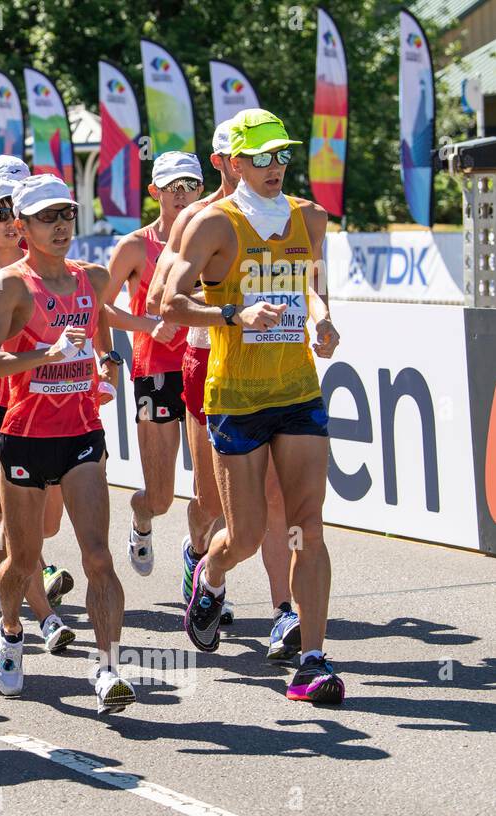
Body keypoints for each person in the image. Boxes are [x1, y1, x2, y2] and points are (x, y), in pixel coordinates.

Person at [162, 109, 344, 703]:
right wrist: (233, 315)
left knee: (305, 526)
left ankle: (312, 660)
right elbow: (170, 304)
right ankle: (211, 576)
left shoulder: (307, 217)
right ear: (234, 162)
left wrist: (323, 321)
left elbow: (312, 286)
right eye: (261, 157)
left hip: (297, 389)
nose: (275, 167)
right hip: (236, 396)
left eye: (282, 155)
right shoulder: (213, 224)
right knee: (243, 536)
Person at [0, 174, 135, 713]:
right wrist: (43, 357)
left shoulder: (92, 276)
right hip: (24, 435)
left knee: (98, 557)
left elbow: (102, 330)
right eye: (47, 217)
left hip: (81, 433)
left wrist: (105, 367)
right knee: (24, 562)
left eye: (66, 213)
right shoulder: (10, 285)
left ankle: (108, 669)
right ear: (21, 228)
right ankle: (12, 628)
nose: (61, 223)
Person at [144, 119, 296, 631]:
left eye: (271, 156)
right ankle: (200, 557)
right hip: (209, 361)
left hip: (272, 361)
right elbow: (157, 297)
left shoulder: (285, 214)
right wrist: (224, 312)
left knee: (274, 495)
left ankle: (284, 613)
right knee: (212, 500)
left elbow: (307, 281)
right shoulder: (202, 217)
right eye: (248, 156)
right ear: (223, 162)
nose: (263, 165)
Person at [0, 179, 75, 654]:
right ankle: (43, 617)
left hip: (45, 399)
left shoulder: (48, 272)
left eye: (12, 211)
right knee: (18, 506)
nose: (7, 221)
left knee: (46, 519)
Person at [100, 151, 201, 577]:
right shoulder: (137, 245)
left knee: (212, 494)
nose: (183, 196)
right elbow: (98, 307)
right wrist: (146, 323)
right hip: (155, 372)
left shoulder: (215, 234)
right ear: (154, 191)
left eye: (192, 186)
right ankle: (141, 520)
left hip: (208, 367)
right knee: (160, 498)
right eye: (173, 188)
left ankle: (201, 573)